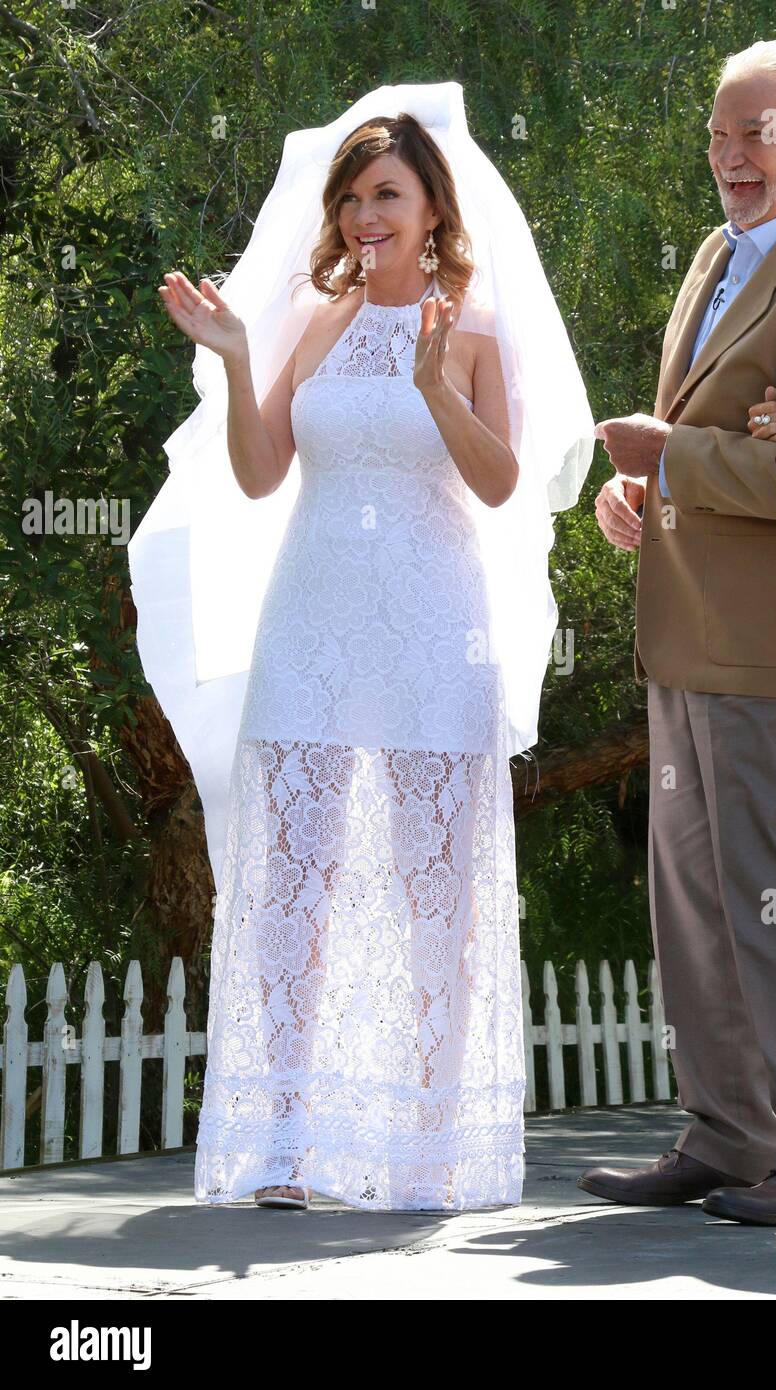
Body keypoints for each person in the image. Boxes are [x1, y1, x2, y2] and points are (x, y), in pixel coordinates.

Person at [127, 82, 594, 1211]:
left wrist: (435, 388)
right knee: (295, 876)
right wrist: (241, 358)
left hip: (436, 616)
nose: (362, 216)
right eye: (350, 199)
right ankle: (286, 1142)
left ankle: (428, 1146)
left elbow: (499, 484)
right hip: (312, 614)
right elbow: (257, 470)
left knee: (437, 891)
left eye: (386, 194)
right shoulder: (320, 318)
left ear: (434, 206)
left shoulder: (476, 326)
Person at [583, 40, 776, 1228]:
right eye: (716, 135)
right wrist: (643, 494)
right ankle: (727, 1133)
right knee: (691, 903)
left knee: (770, 895)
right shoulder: (715, 253)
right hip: (681, 631)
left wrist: (672, 462)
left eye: (750, 134)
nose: (725, 158)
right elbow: (729, 442)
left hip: (767, 639)